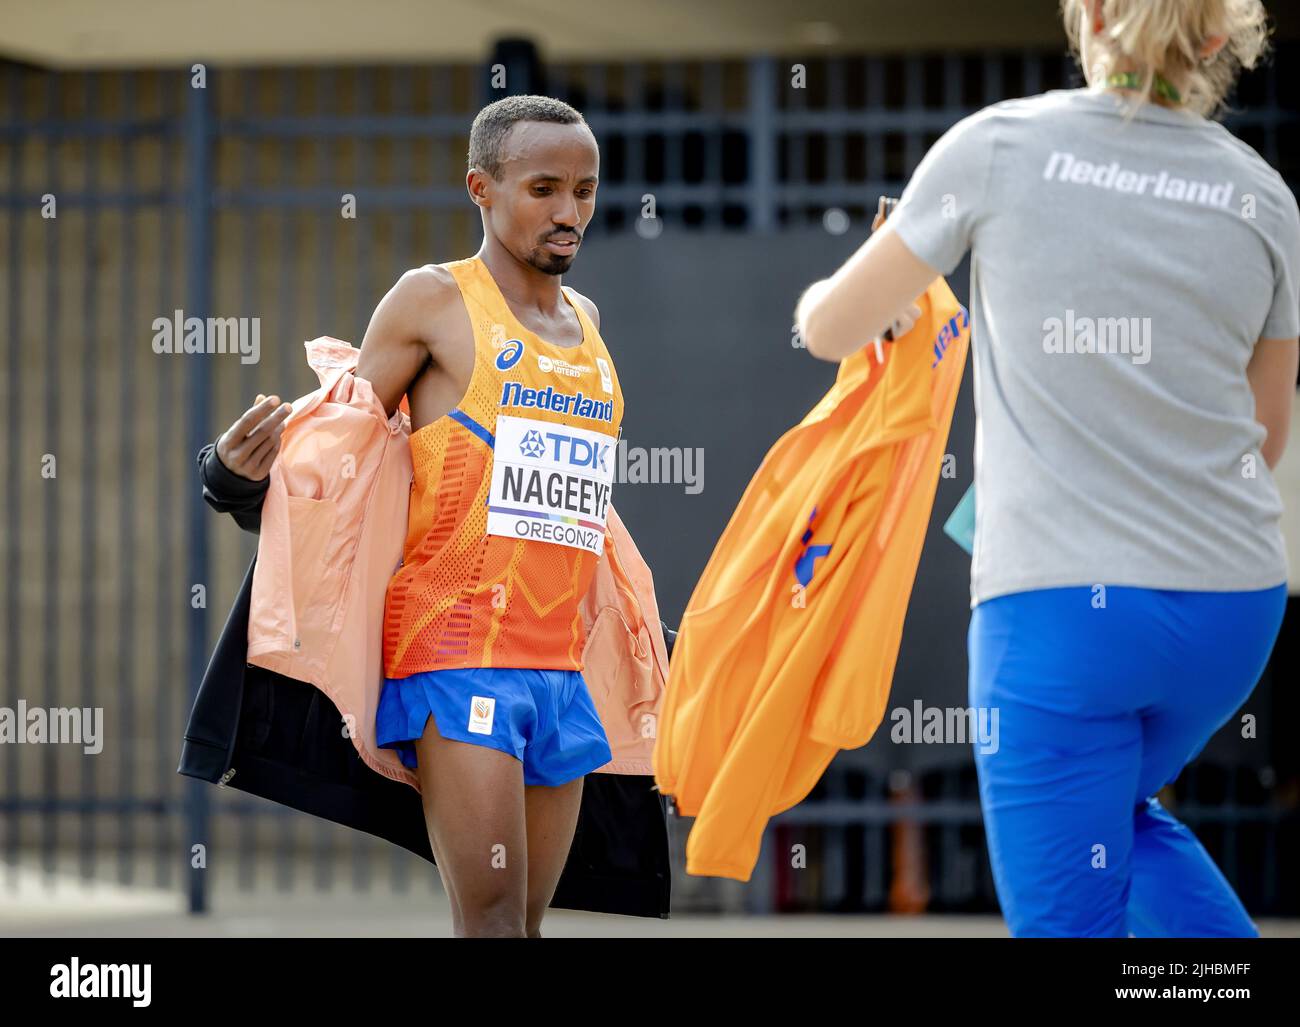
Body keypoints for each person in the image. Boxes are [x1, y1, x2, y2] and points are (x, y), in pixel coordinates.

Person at [794, 0, 1298, 936]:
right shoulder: (1264, 195)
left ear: (1094, 15)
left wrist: (873, 285)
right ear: (1222, 39)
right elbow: (1264, 434)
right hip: (1232, 607)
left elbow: (830, 328)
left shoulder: (999, 146)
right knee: (1117, 820)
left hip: (1063, 615)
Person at [213, 94, 624, 938]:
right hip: (458, 655)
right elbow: (344, 459)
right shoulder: (431, 303)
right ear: (481, 186)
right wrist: (235, 482)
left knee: (527, 926)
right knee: (494, 922)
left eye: (584, 189)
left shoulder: (588, 325)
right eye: (543, 188)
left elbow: (587, 513)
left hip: (559, 665)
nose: (569, 211)